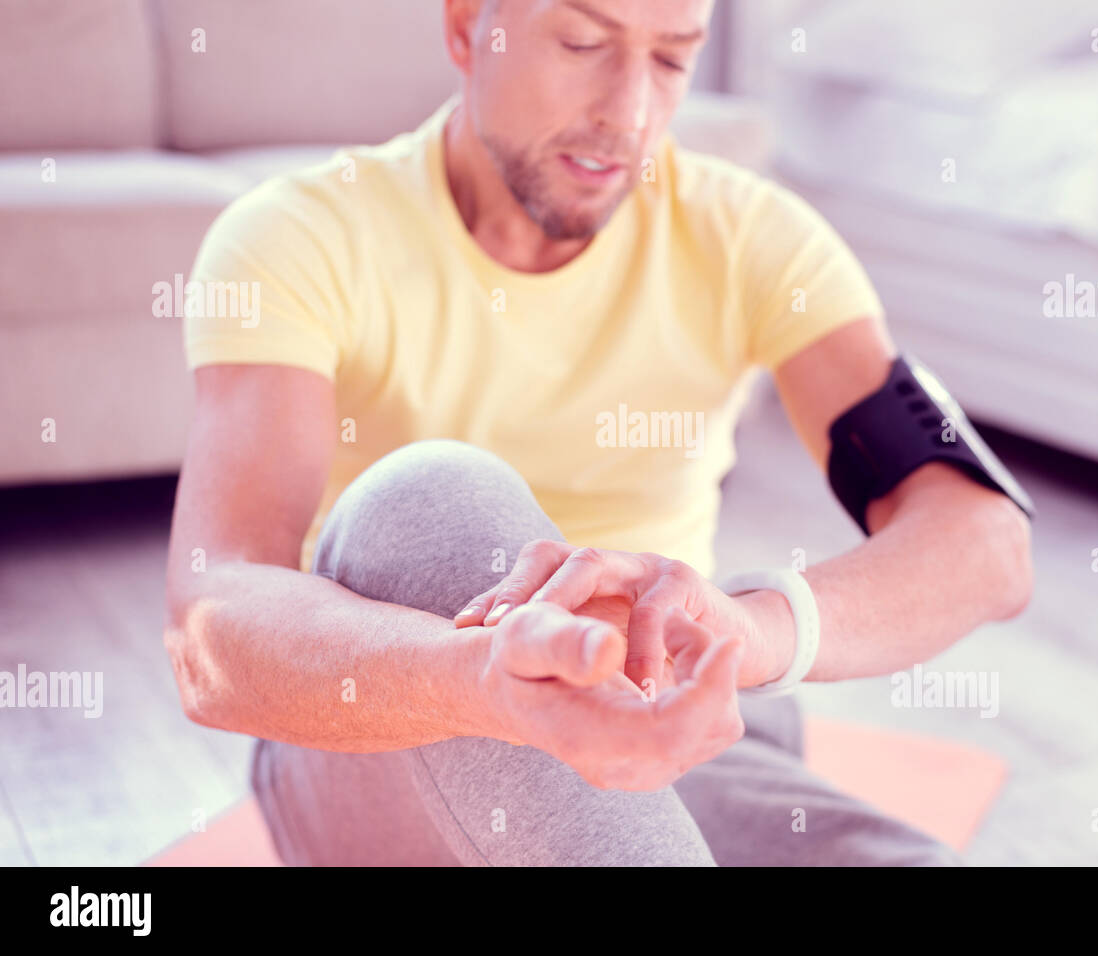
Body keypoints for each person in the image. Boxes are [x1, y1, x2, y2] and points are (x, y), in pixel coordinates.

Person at [164, 0, 1032, 866]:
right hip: (393, 744)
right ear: (468, 27)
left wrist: (745, 626)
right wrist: (487, 683)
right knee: (430, 496)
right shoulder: (297, 237)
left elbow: (987, 543)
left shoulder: (755, 239)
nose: (631, 114)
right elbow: (214, 616)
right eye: (583, 43)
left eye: (671, 60)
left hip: (673, 744)